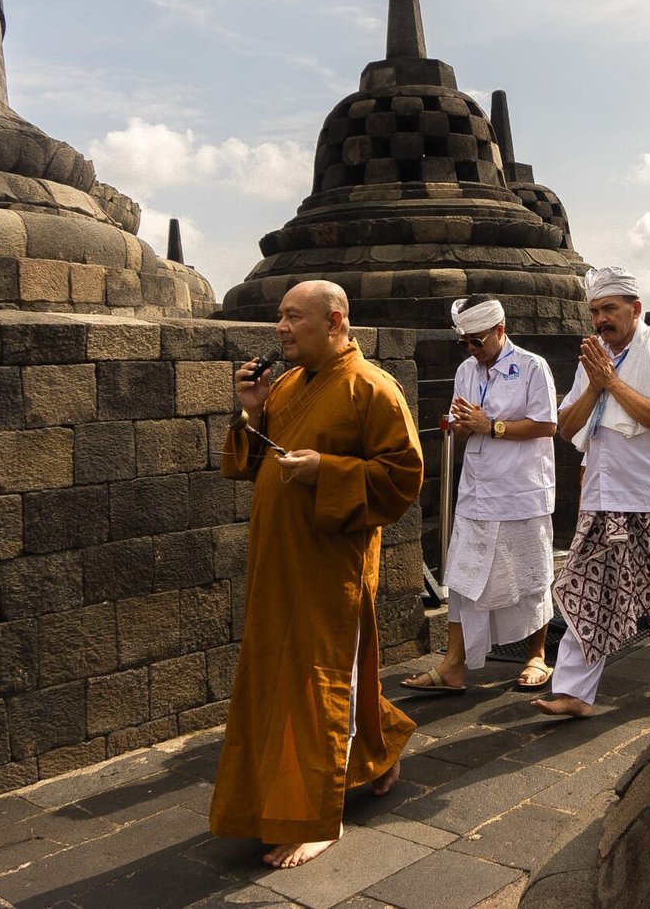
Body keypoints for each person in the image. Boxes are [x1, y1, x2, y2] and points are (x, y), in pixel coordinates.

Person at [210, 280, 424, 869]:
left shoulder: (371, 387)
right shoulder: (285, 385)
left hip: (333, 563)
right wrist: (250, 411)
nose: (280, 329)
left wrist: (327, 470)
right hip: (279, 557)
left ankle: (316, 815)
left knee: (320, 678)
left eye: (292, 318)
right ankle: (379, 753)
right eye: (279, 317)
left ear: (334, 323)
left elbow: (403, 477)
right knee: (284, 673)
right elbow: (246, 461)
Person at [532, 267, 650, 719]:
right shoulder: (593, 362)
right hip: (602, 494)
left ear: (635, 309)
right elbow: (566, 427)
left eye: (609, 310)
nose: (601, 320)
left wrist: (613, 382)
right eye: (595, 311)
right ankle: (573, 692)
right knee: (587, 588)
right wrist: (597, 382)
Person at [402, 295, 557, 693]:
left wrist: (493, 426)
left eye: (477, 341)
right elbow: (460, 425)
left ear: (499, 331)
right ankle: (454, 664)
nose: (471, 349)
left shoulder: (531, 366)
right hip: (477, 488)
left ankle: (536, 655)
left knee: (531, 572)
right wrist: (464, 425)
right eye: (464, 342)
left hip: (522, 488)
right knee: (463, 574)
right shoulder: (467, 370)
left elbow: (546, 425)